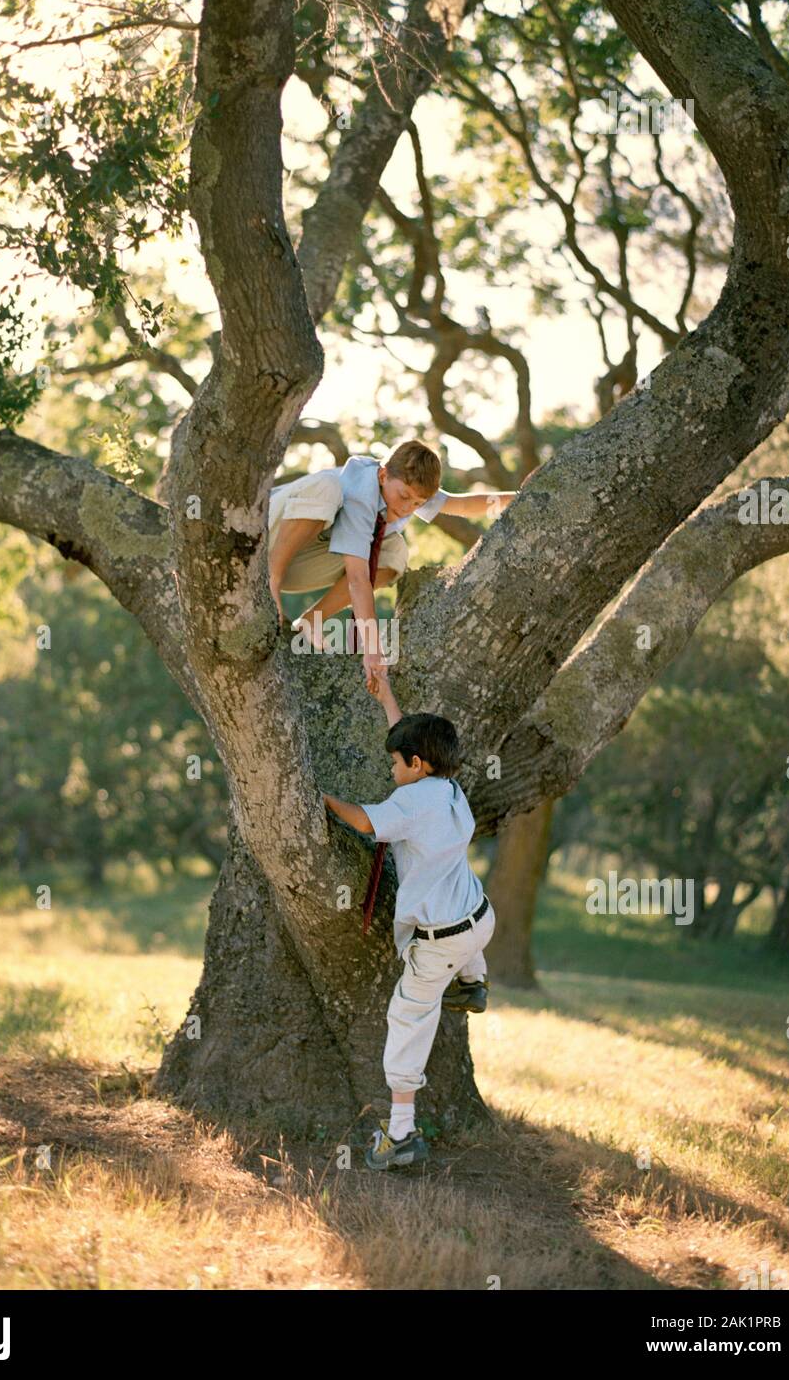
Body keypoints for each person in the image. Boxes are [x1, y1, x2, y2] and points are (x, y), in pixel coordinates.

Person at [321, 674, 495, 1170]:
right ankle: (473, 985)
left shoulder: (412, 802)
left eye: (395, 763)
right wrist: (387, 699)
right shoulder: (446, 787)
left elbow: (364, 822)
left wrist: (324, 799)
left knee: (407, 1021)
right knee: (466, 942)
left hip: (439, 942)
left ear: (417, 764)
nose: (391, 770)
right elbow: (408, 739)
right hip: (479, 921)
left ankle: (401, 1134)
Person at [268, 439, 515, 689]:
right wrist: (372, 650)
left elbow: (461, 504)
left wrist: (516, 498)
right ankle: (270, 582)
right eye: (404, 497)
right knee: (327, 487)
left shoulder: (409, 489)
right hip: (268, 537)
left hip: (301, 561)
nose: (408, 508)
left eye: (417, 504)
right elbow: (358, 579)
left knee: (394, 553)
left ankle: (312, 620)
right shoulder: (361, 493)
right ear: (383, 474)